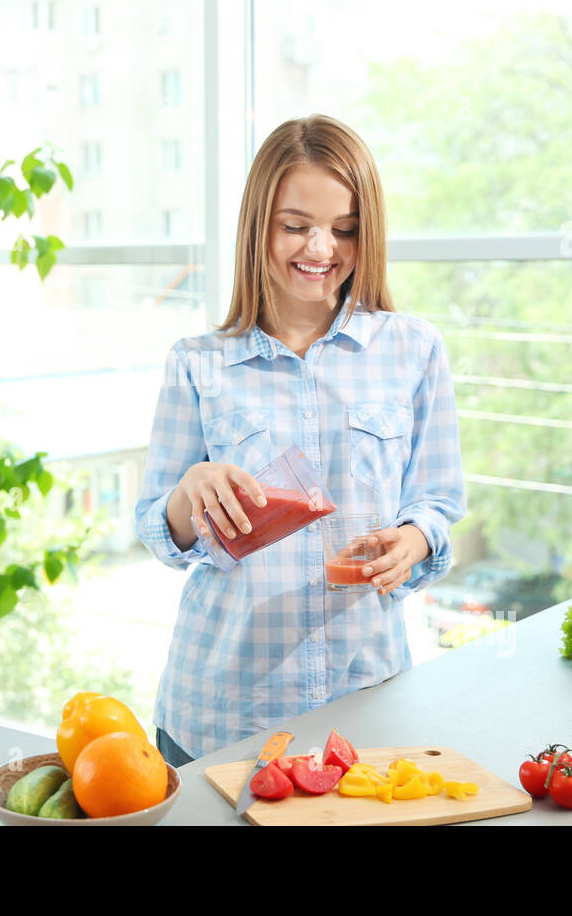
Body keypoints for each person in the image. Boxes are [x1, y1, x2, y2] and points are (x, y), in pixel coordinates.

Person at [134, 114, 466, 768]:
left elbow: (438, 499)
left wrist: (414, 538)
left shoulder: (414, 350)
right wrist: (187, 492)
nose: (321, 249)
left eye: (344, 229)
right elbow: (157, 529)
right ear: (259, 226)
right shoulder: (197, 362)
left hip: (364, 699)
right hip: (220, 712)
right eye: (295, 226)